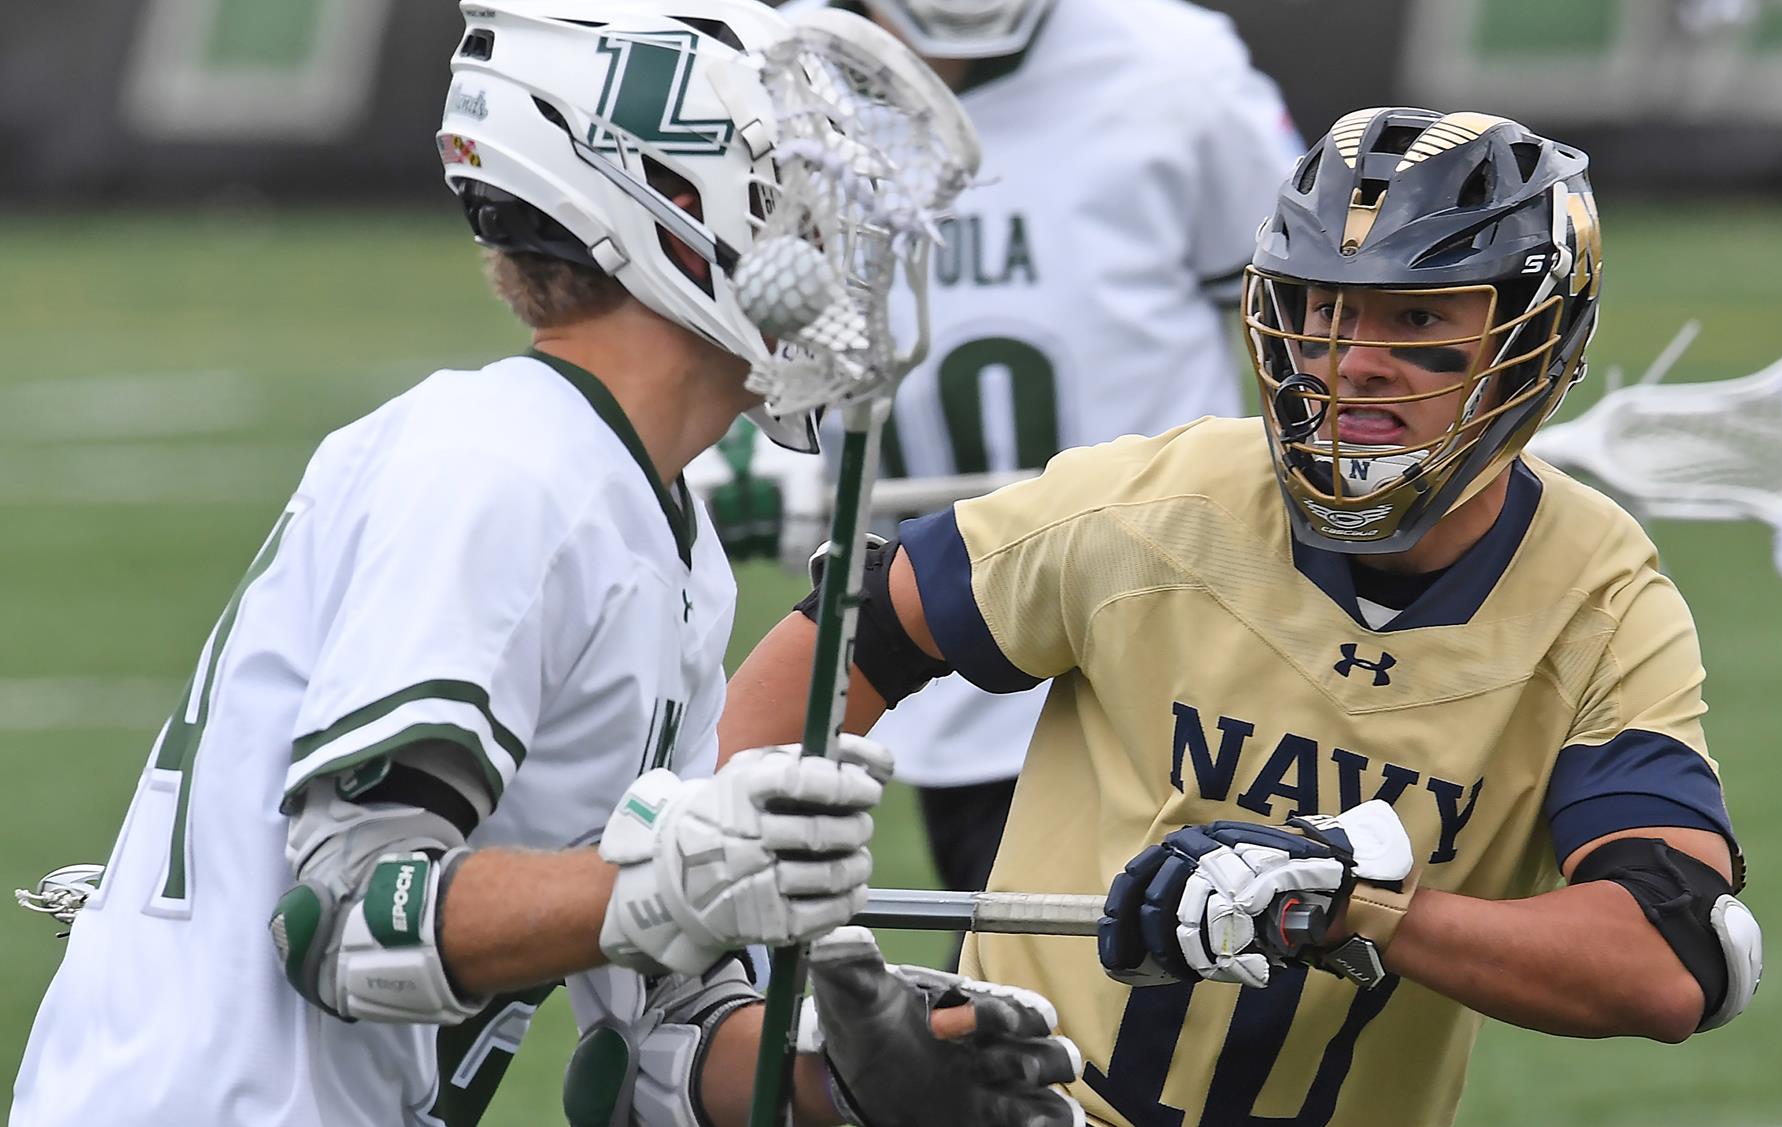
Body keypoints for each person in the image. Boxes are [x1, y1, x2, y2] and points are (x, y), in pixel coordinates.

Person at [9, 3, 1082, 1125]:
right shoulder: (503, 467)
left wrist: (849, 1065)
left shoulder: (652, 526)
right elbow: (342, 918)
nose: (827, 234)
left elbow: (649, 1045)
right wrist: (665, 878)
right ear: (667, 199)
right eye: (787, 189)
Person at [720, 107, 1763, 1126]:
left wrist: (1345, 907)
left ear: (1532, 338)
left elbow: (1666, 959)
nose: (1351, 359)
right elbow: (853, 629)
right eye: (1322, 308)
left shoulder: (1598, 598)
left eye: (1415, 317)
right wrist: (742, 860)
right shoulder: (1158, 504)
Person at [779, 0, 1303, 905]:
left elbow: (1308, 325)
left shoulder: (1172, 66)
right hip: (936, 641)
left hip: (1171, 635)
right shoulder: (770, 78)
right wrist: (774, 464)